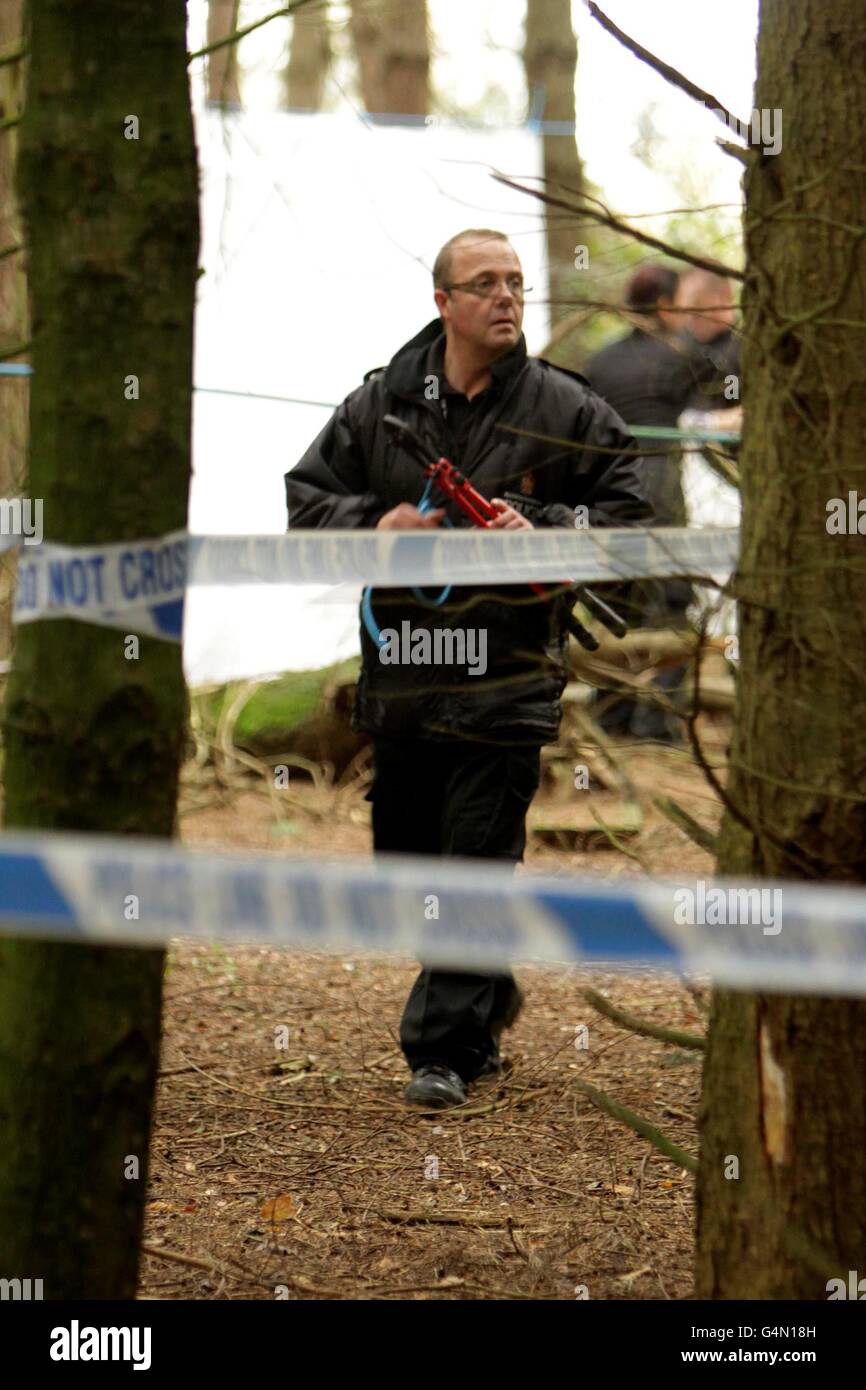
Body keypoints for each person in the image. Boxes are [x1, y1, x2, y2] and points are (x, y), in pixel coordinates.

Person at [286, 228, 653, 1110]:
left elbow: (631, 518)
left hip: (509, 683)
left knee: (475, 863)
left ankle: (441, 1051)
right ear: (443, 302)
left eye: (517, 283)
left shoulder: (567, 408)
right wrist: (376, 527)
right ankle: (486, 999)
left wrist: (548, 526)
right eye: (484, 283)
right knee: (410, 869)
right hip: (404, 680)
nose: (506, 297)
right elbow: (304, 505)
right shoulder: (378, 409)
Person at [584, 263, 714, 743]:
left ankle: (611, 719)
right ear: (663, 306)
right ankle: (656, 727)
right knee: (672, 606)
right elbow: (715, 417)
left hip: (606, 499)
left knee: (616, 608)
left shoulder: (599, 362)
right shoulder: (681, 356)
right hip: (658, 492)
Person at [675, 268, 741, 413]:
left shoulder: (747, 346)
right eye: (684, 311)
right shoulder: (680, 344)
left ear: (725, 296)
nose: (690, 319)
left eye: (697, 308)